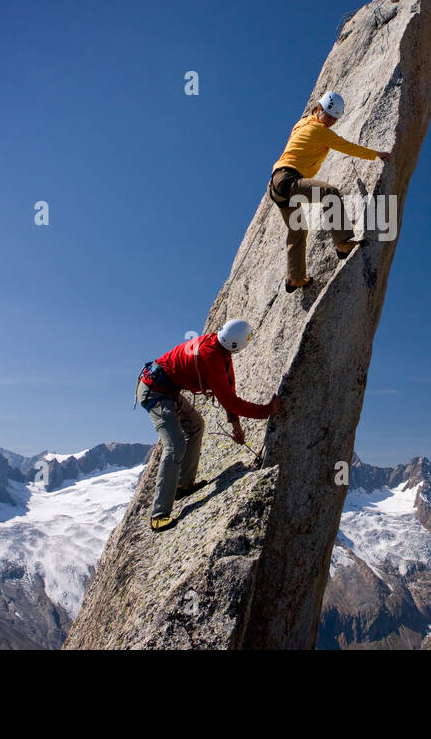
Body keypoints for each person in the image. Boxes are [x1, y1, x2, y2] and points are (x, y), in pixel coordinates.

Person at [135, 318, 284, 531]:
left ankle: (183, 485)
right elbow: (231, 401)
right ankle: (159, 515)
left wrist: (236, 426)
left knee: (196, 426)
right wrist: (267, 410)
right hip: (155, 392)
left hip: (166, 389)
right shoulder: (211, 358)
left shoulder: (219, 349)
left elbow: (229, 392)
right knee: (175, 445)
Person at [267, 91, 391, 292]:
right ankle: (342, 242)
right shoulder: (319, 130)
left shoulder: (303, 123)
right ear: (319, 109)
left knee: (298, 229)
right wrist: (376, 154)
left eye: (335, 118)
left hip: (276, 186)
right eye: (329, 116)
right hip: (287, 179)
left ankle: (295, 278)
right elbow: (347, 147)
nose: (331, 121)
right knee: (329, 193)